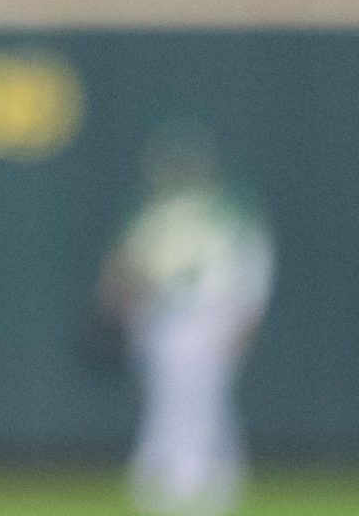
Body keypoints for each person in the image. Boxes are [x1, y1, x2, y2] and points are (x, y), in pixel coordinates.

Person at [98, 125, 274, 516]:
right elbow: (126, 271)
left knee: (197, 404)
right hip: (169, 318)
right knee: (181, 404)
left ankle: (194, 482)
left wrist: (243, 317)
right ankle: (177, 480)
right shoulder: (172, 215)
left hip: (204, 317)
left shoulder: (217, 216)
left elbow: (250, 268)